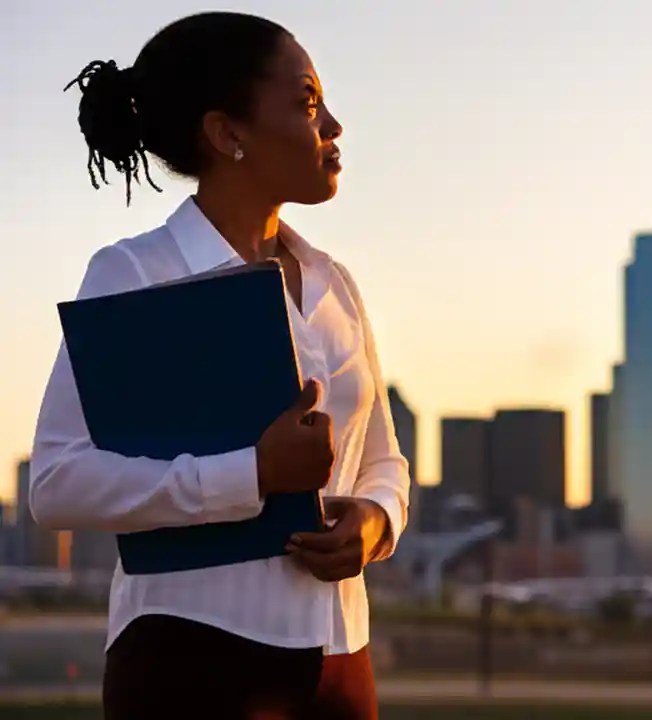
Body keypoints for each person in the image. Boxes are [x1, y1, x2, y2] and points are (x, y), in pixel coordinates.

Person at [30, 11, 410, 719]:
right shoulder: (135, 274)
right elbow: (56, 482)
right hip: (192, 662)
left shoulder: (336, 285)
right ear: (227, 133)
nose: (333, 125)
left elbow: (384, 460)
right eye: (306, 102)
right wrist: (250, 475)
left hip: (343, 664)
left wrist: (375, 522)